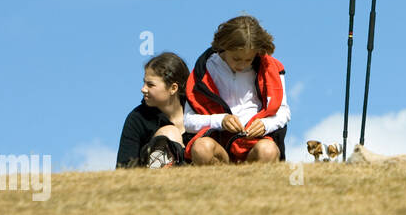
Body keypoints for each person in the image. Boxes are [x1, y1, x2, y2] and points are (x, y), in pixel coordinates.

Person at [183, 15, 289, 164]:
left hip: (254, 143)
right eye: (236, 59)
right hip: (218, 141)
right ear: (223, 47)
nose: (242, 65)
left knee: (268, 150)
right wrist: (221, 120)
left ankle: (259, 186)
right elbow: (187, 121)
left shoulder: (271, 69)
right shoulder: (204, 70)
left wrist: (266, 125)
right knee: (201, 148)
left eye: (248, 60)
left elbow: (284, 112)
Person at [116, 52, 193, 168]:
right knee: (169, 133)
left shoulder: (198, 111)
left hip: (197, 181)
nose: (143, 89)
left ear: (173, 88)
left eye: (150, 85)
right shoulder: (137, 118)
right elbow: (123, 167)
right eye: (144, 82)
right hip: (152, 182)